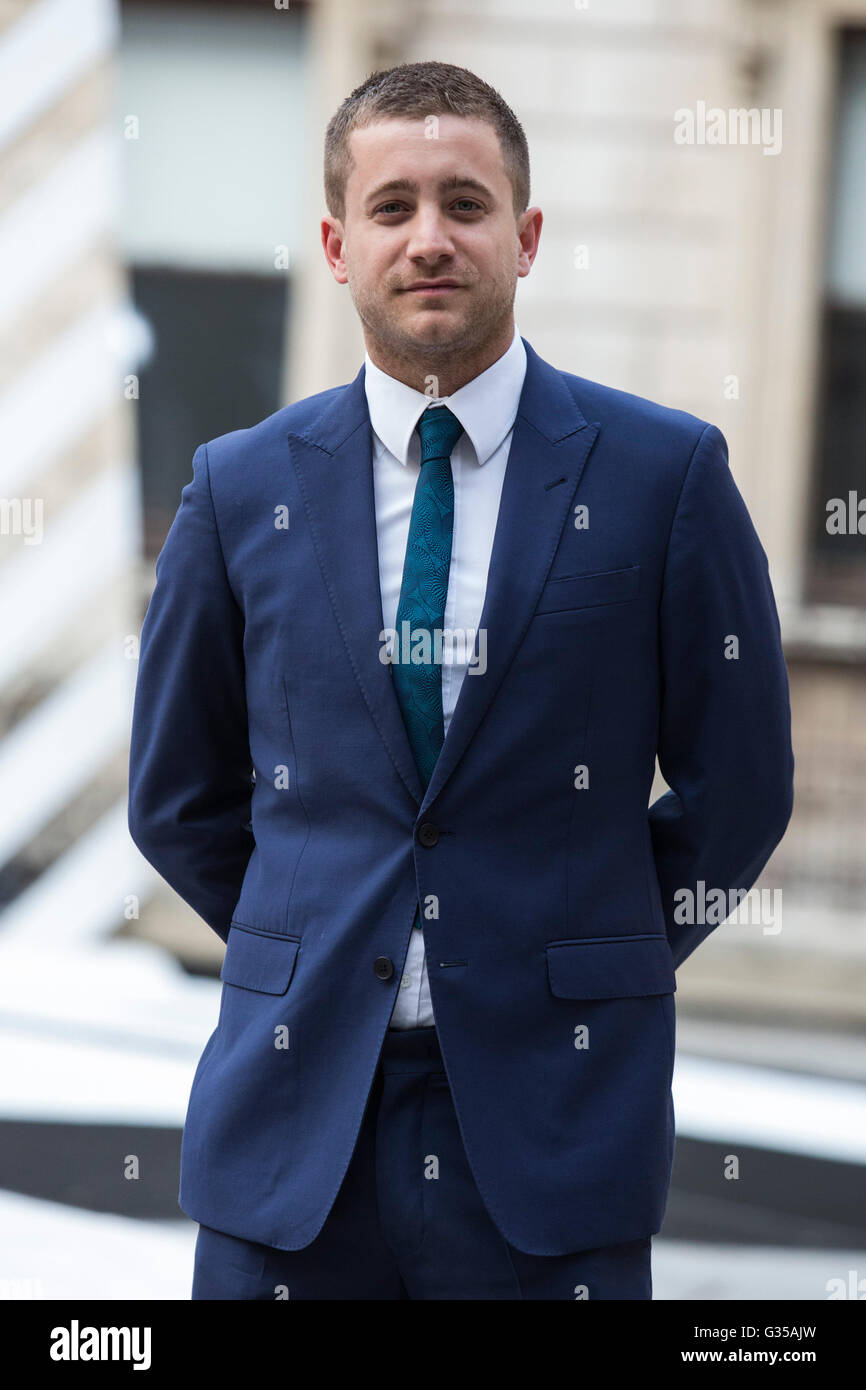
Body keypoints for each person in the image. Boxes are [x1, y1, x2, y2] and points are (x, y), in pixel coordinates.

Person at [127, 60, 794, 1300]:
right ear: (336, 244)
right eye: (391, 208)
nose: (428, 238)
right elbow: (176, 797)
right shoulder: (238, 487)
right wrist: (327, 935)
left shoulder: (665, 476)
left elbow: (740, 790)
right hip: (291, 1135)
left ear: (525, 235)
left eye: (464, 203)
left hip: (554, 1133)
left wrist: (578, 948)